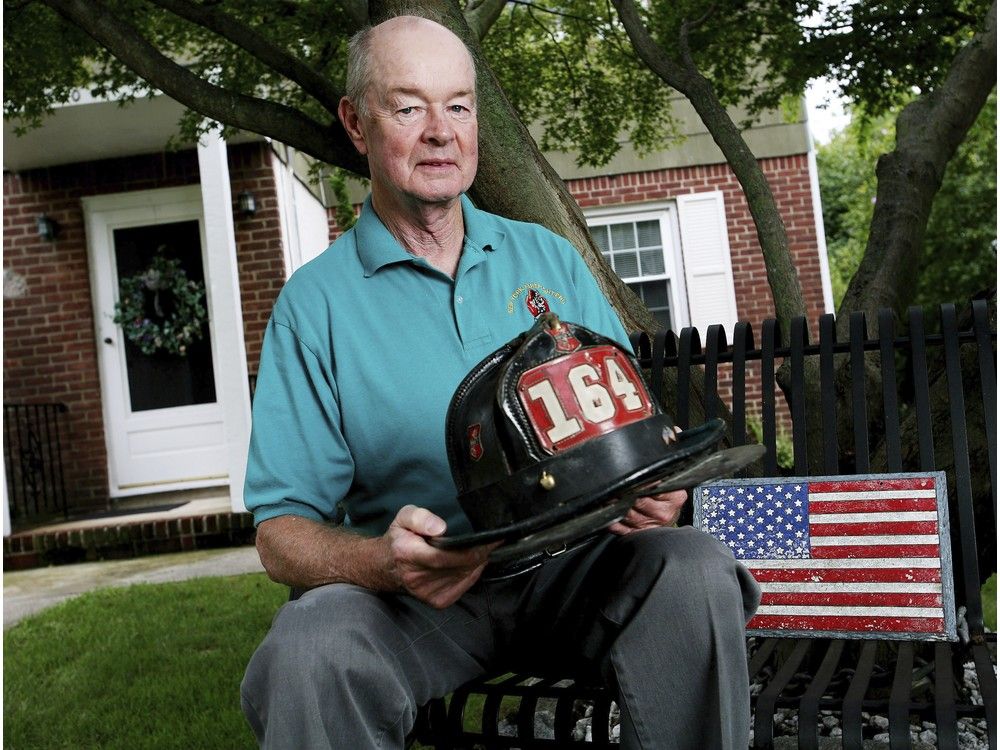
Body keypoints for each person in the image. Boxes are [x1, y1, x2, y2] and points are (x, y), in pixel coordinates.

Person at [241, 15, 760, 749]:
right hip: (422, 600)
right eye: (408, 105)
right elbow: (280, 535)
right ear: (357, 124)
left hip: (577, 571)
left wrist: (654, 492)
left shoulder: (547, 259)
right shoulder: (315, 305)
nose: (439, 130)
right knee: (311, 642)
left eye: (458, 105)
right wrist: (380, 565)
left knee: (694, 566)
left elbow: (628, 430)